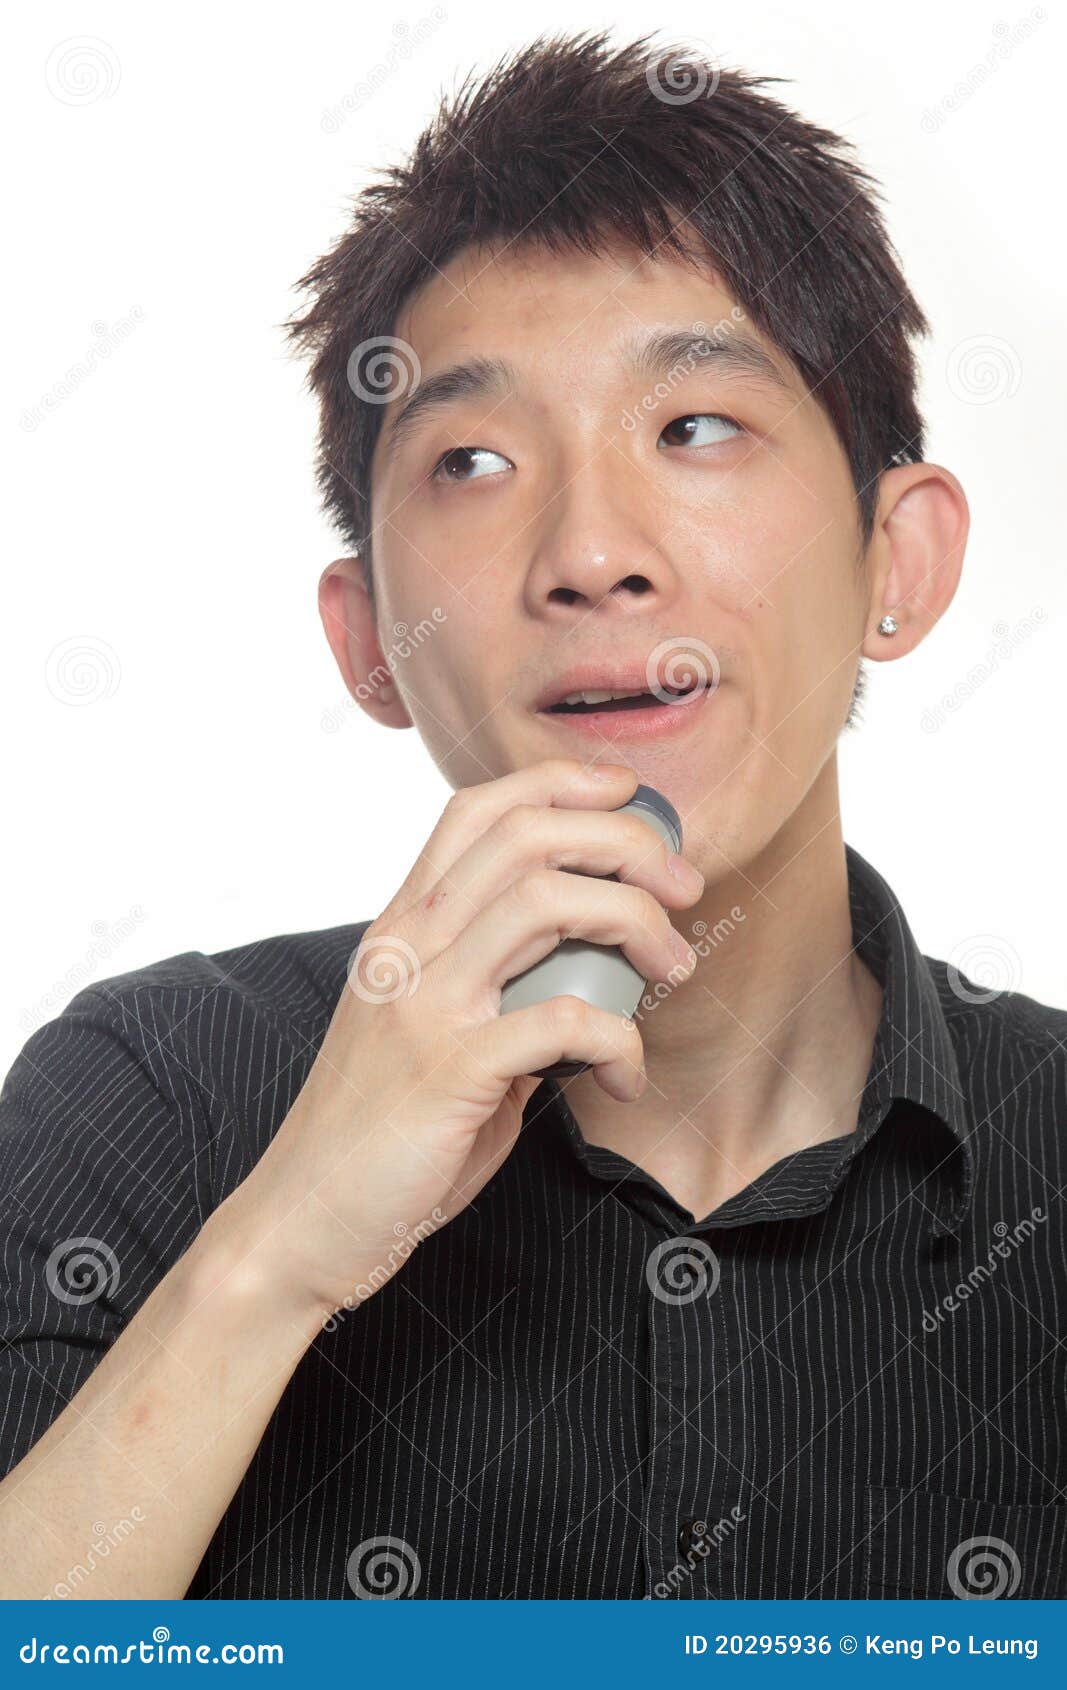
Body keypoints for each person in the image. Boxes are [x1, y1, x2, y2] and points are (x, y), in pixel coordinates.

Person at [2, 30, 1064, 1603]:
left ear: (897, 562)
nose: (588, 550)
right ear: (369, 641)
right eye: (475, 458)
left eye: (696, 427)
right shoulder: (153, 1098)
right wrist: (277, 1250)